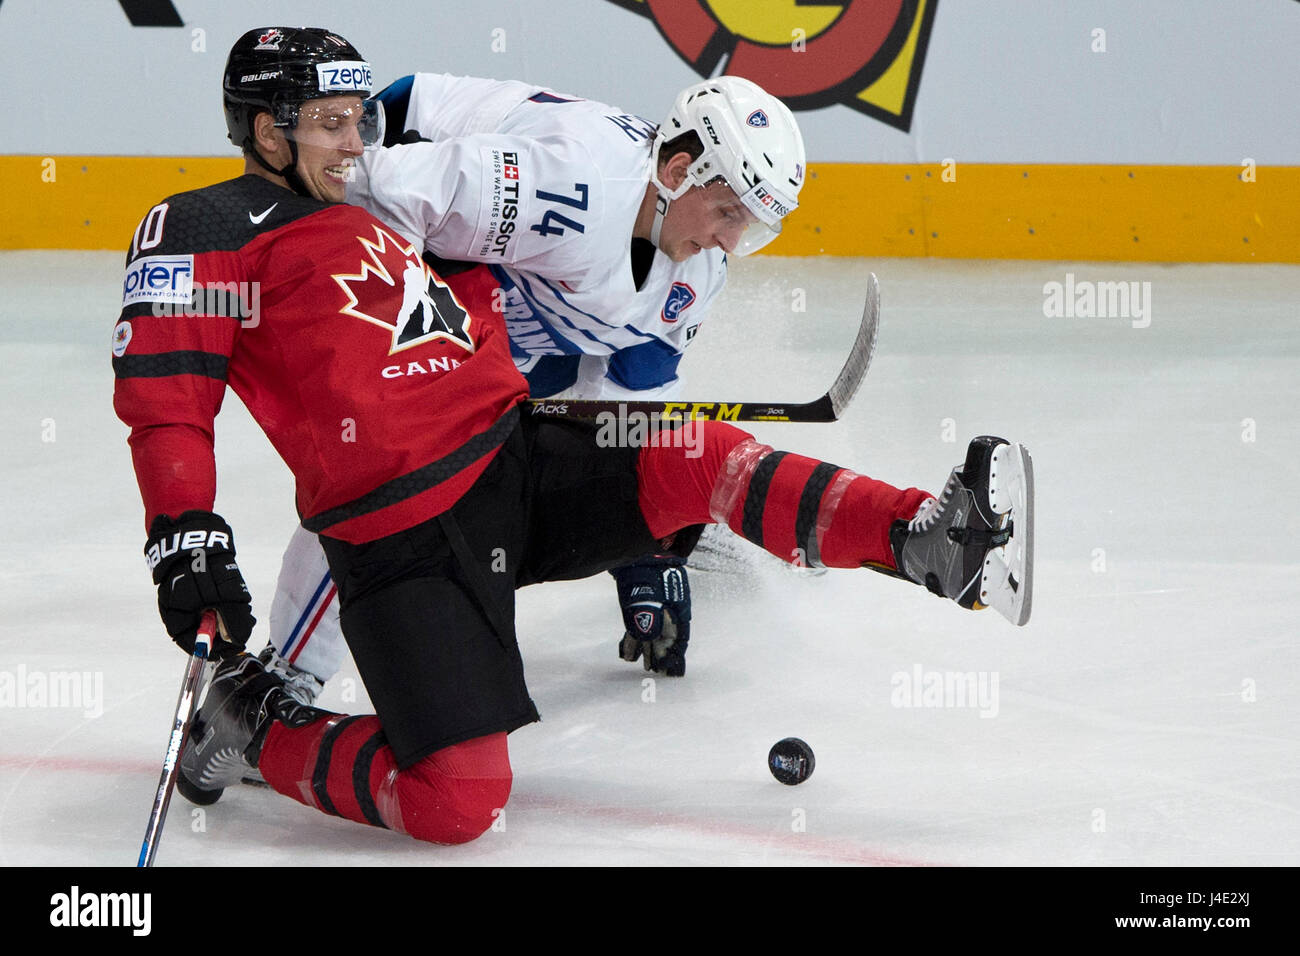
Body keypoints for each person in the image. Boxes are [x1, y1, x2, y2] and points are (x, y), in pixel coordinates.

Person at [114, 26, 1033, 847]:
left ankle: (924, 537)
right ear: (269, 132)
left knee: (691, 451)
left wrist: (630, 531)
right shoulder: (201, 228)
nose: (360, 147)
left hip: (510, 450)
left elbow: (590, 353)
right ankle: (258, 723)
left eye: (362, 122)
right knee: (459, 803)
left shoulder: (416, 206)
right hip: (402, 528)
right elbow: (166, 402)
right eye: (332, 125)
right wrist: (183, 533)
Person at [262, 69, 808, 693]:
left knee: (550, 401)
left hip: (516, 281)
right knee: (394, 459)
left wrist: (641, 542)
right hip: (396, 190)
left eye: (751, 227)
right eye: (727, 213)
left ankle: (684, 539)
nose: (729, 242)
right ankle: (285, 670)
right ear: (679, 172)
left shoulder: (696, 277)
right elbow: (384, 188)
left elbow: (625, 408)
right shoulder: (564, 188)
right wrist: (409, 354)